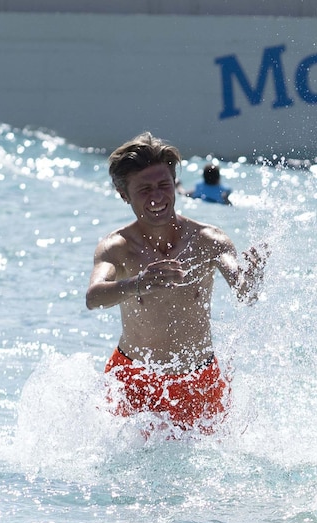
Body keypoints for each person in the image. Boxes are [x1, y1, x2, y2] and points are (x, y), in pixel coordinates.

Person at [85, 133, 268, 430]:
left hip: (198, 381)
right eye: (144, 189)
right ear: (124, 195)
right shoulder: (116, 248)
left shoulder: (209, 240)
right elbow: (94, 298)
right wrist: (139, 283)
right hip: (134, 378)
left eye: (163, 185)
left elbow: (244, 292)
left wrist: (254, 276)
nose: (157, 197)